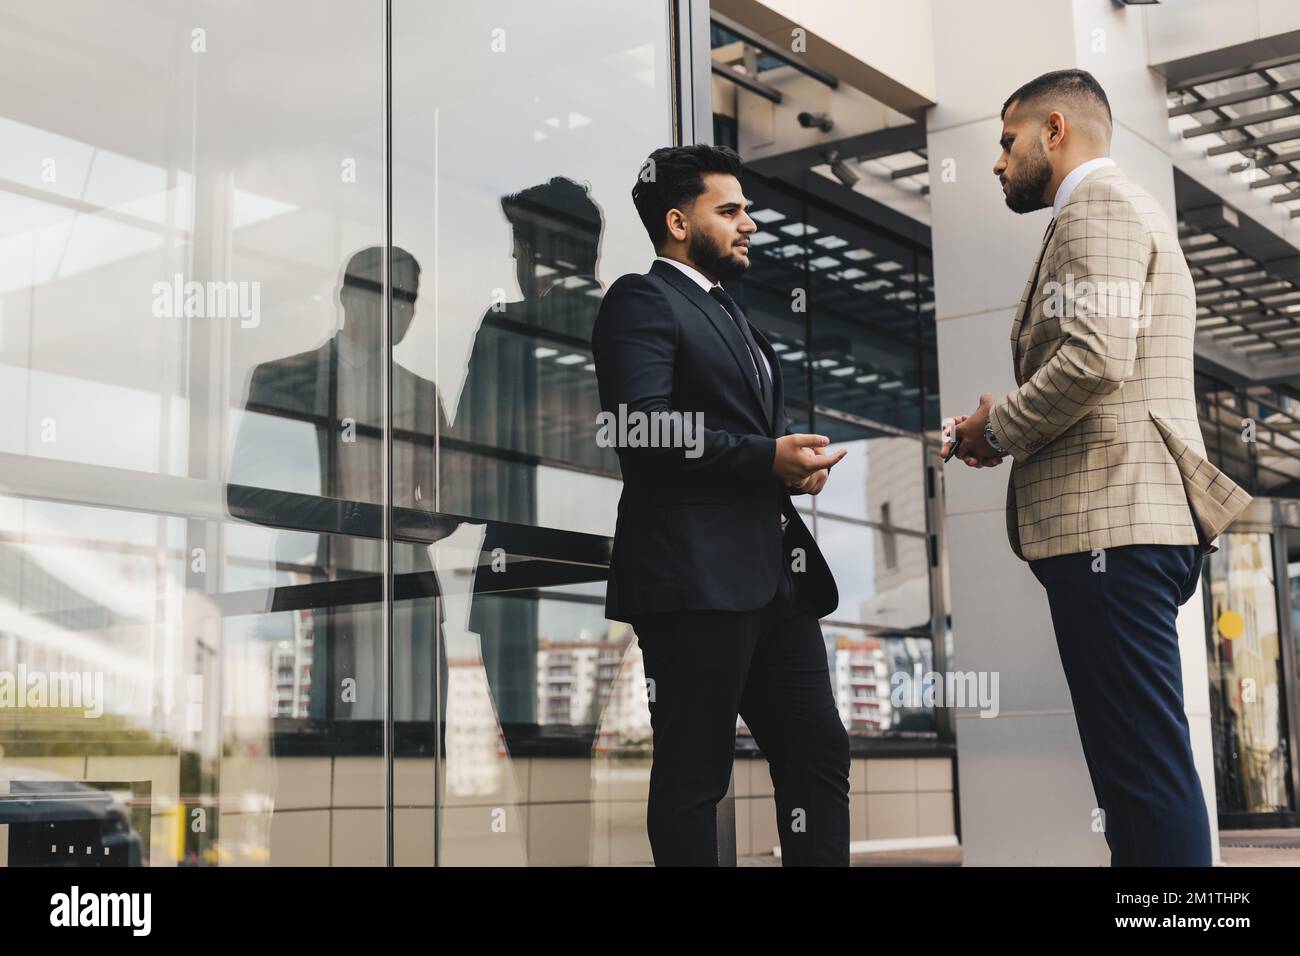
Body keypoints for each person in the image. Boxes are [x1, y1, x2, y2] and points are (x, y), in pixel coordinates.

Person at [944, 69, 1253, 866]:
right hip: (1124, 526)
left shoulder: (1099, 208)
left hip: (1113, 526)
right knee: (1133, 771)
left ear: (1055, 130)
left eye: (1006, 141)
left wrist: (996, 427)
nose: (998, 161)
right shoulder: (1110, 210)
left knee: (1142, 773)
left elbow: (1092, 358)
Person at [590, 143, 851, 865]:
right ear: (678, 221)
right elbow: (638, 427)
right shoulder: (640, 299)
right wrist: (765, 456)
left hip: (775, 581)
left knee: (819, 753)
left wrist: (787, 471)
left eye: (748, 210)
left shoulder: (734, 315)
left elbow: (735, 439)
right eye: (730, 210)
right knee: (694, 774)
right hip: (693, 580)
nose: (750, 225)